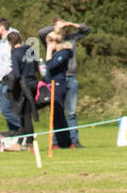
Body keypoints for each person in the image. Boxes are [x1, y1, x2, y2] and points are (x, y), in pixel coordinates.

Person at [38, 17, 91, 146]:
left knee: (71, 111)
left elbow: (87, 30)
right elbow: (41, 32)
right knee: (56, 110)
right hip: (56, 78)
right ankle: (57, 141)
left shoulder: (71, 39)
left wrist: (72, 24)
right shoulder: (51, 39)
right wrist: (56, 27)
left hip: (71, 77)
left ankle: (74, 140)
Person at [39, 32, 72, 149]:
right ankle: (61, 141)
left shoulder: (63, 53)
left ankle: (65, 142)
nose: (47, 45)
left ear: (54, 42)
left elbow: (51, 65)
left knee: (58, 114)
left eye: (48, 43)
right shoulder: (56, 53)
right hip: (50, 84)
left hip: (58, 84)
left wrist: (48, 52)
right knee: (55, 115)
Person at [6, 30, 40, 138]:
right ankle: (22, 141)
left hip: (24, 87)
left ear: (10, 42)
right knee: (24, 114)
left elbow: (16, 74)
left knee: (25, 115)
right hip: (33, 83)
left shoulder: (15, 54)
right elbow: (35, 68)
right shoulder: (31, 50)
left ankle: (30, 141)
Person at [0, 18, 22, 134]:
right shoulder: (1, 44)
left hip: (10, 79)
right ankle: (14, 136)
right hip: (2, 80)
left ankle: (24, 129)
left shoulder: (13, 39)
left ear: (1, 28)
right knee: (9, 110)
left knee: (6, 110)